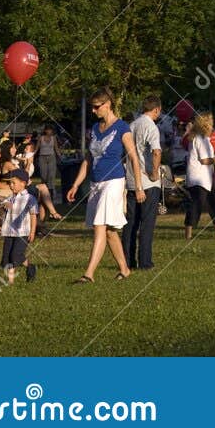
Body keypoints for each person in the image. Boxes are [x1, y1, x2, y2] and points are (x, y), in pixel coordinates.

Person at [66, 87, 146, 282]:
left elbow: (134, 158)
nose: (93, 111)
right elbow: (88, 159)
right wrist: (76, 184)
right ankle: (124, 269)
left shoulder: (122, 128)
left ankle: (89, 274)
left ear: (107, 105)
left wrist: (138, 186)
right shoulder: (94, 129)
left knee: (99, 226)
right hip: (95, 183)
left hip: (114, 182)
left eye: (96, 107)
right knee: (110, 231)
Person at [125, 97, 163, 269]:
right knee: (147, 224)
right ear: (156, 110)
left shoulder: (132, 126)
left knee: (131, 223)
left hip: (132, 179)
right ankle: (145, 262)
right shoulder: (151, 127)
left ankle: (127, 260)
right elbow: (156, 152)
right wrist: (155, 173)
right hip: (148, 181)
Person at [184, 112, 215, 239]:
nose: (213, 123)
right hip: (199, 179)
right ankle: (188, 234)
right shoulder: (200, 139)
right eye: (211, 120)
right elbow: (204, 160)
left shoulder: (203, 138)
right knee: (196, 206)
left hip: (206, 178)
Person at [0, 167, 38, 283]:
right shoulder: (10, 198)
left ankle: (30, 267)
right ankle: (10, 281)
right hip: (9, 232)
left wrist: (32, 232)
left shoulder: (29, 198)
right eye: (9, 183)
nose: (11, 185)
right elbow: (0, 206)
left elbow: (33, 215)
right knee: (7, 257)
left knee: (16, 255)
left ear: (23, 183)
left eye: (13, 183)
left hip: (23, 232)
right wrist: (4, 205)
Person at [35, 127, 62, 199]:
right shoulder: (41, 138)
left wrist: (60, 156)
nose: (50, 131)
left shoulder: (54, 138)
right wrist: (32, 155)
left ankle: (52, 191)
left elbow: (56, 148)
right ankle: (43, 191)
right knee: (43, 175)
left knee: (51, 175)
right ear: (45, 131)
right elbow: (37, 148)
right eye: (48, 129)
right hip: (42, 157)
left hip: (51, 157)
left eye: (51, 130)